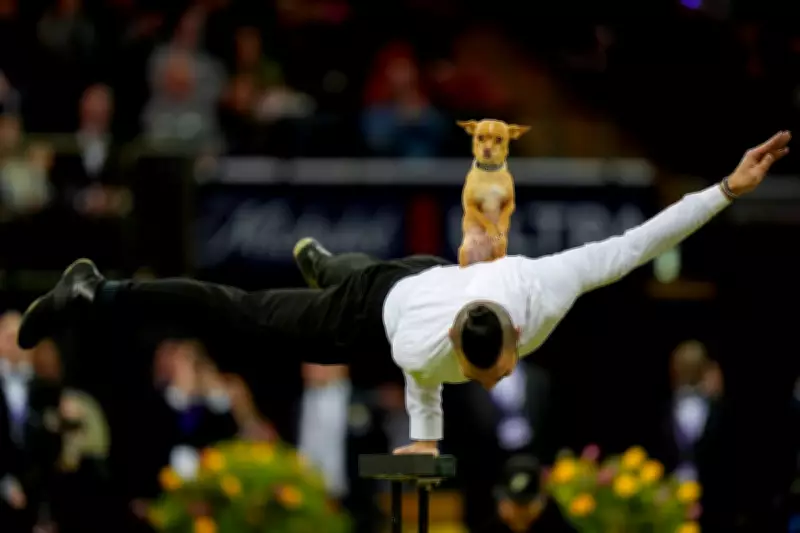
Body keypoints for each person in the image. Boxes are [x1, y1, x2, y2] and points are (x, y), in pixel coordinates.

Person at [16, 131, 791, 457]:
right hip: (374, 313)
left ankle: (332, 263)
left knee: (371, 272)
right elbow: (423, 383)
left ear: (508, 330)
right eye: (484, 372)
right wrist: (426, 438)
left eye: (498, 366)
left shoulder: (545, 282)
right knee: (237, 310)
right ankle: (99, 290)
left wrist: (727, 187)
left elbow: (640, 240)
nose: (498, 377)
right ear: (459, 341)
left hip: (422, 272)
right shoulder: (425, 344)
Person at [479, 455, 573, 533]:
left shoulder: (555, 524)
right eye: (516, 504)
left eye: (527, 504)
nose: (521, 513)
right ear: (501, 504)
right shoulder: (489, 527)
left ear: (543, 500)